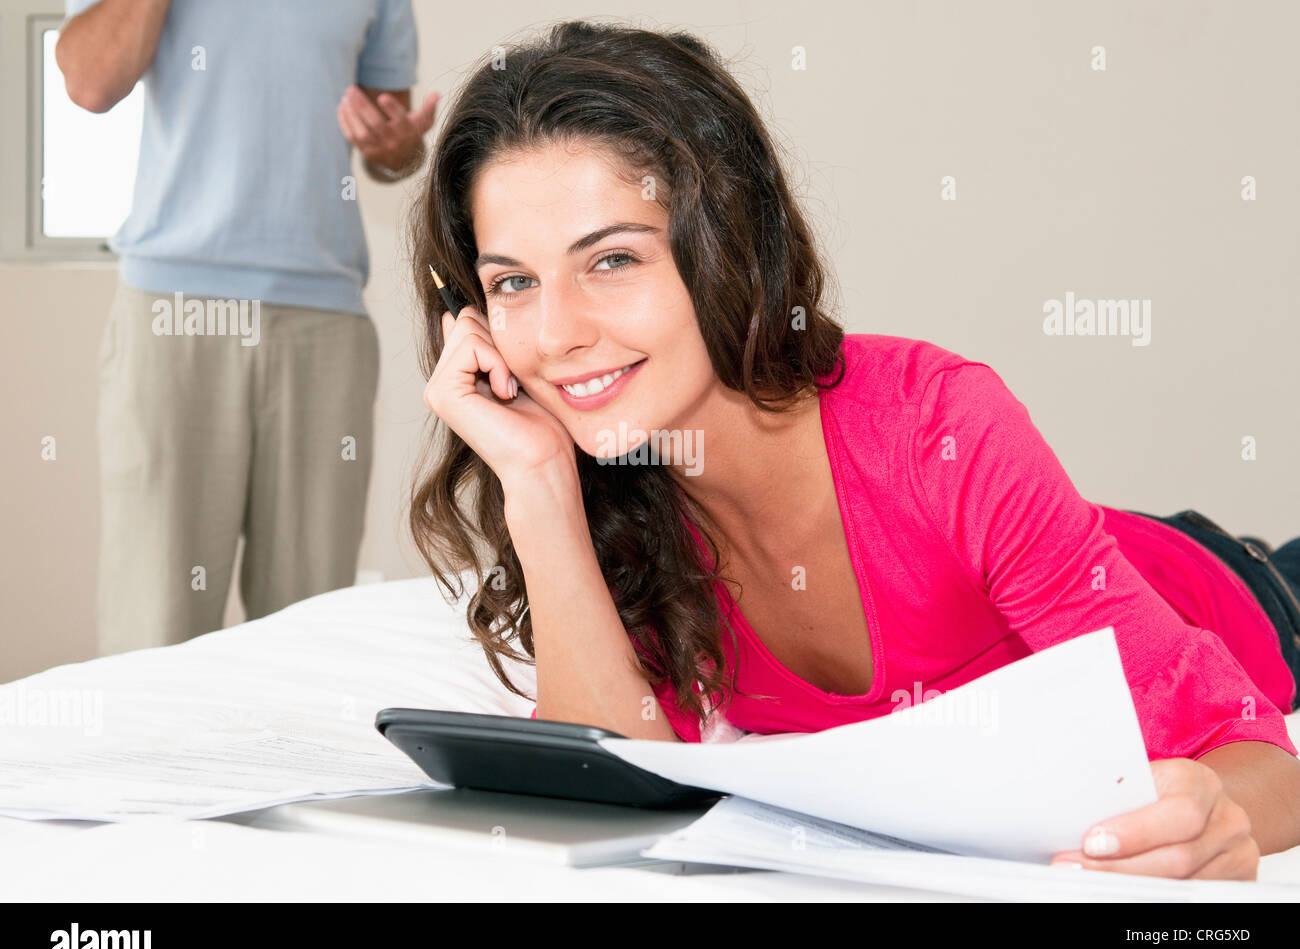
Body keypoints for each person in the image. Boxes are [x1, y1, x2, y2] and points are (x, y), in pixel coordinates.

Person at [406, 20, 1300, 879]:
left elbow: (1266, 760)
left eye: (612, 261)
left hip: (1236, 585)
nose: (556, 334)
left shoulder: (937, 427)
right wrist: (536, 482)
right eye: (514, 282)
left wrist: (1216, 815)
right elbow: (613, 781)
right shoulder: (625, 495)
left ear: (726, 249)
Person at [55, 0, 436, 655]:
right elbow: (90, 83)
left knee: (307, 624)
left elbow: (392, 147)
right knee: (156, 624)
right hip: (172, 312)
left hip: (323, 317)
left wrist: (397, 145)